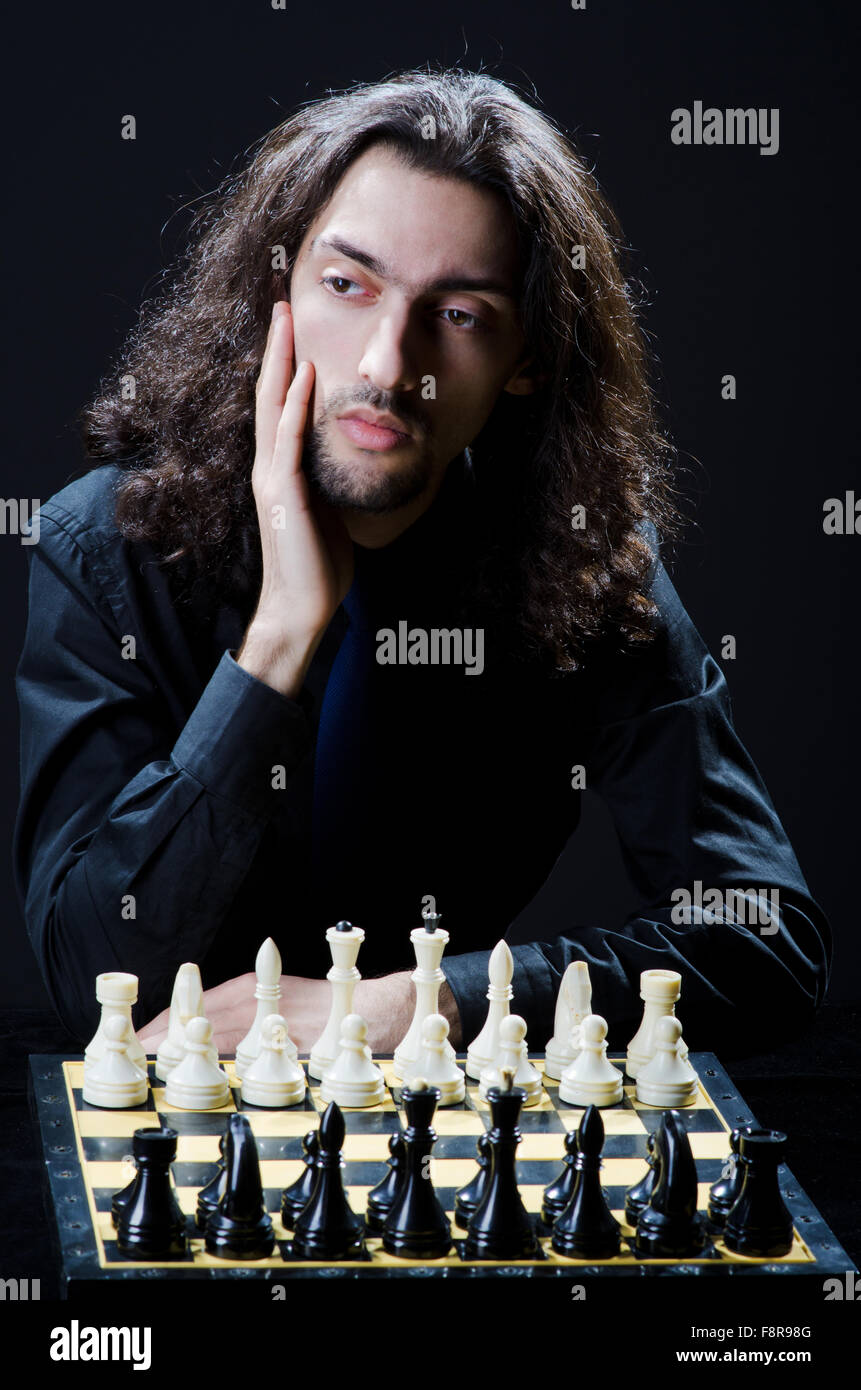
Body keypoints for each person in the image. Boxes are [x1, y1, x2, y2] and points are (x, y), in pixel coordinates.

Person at [14, 70, 830, 1059]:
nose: (387, 366)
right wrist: (277, 642)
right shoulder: (103, 549)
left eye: (461, 314)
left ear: (528, 359)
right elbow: (89, 983)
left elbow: (770, 940)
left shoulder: (579, 565)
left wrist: (433, 1002)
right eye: (347, 285)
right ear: (277, 292)